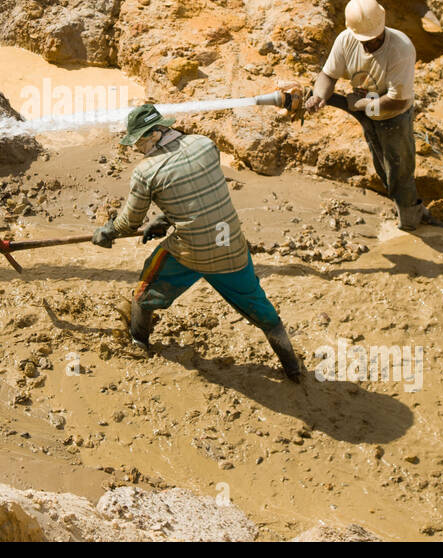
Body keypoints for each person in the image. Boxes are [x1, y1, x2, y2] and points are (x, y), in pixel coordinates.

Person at [91, 103, 303, 382]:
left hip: (191, 251)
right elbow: (197, 191)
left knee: (145, 291)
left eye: (140, 139)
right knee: (261, 310)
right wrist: (166, 218)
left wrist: (108, 231)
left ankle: (138, 343)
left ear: (156, 133)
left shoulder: (146, 172)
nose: (136, 148)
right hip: (230, 244)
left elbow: (129, 222)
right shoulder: (205, 145)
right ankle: (293, 368)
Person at [285, 0, 426, 230]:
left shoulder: (400, 49)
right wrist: (320, 96)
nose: (369, 44)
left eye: (374, 39)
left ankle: (411, 219)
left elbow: (397, 101)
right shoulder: (347, 39)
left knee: (399, 167)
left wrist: (360, 105)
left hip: (393, 114)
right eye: (365, 40)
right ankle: (396, 200)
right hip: (363, 104)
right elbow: (328, 75)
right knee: (381, 160)